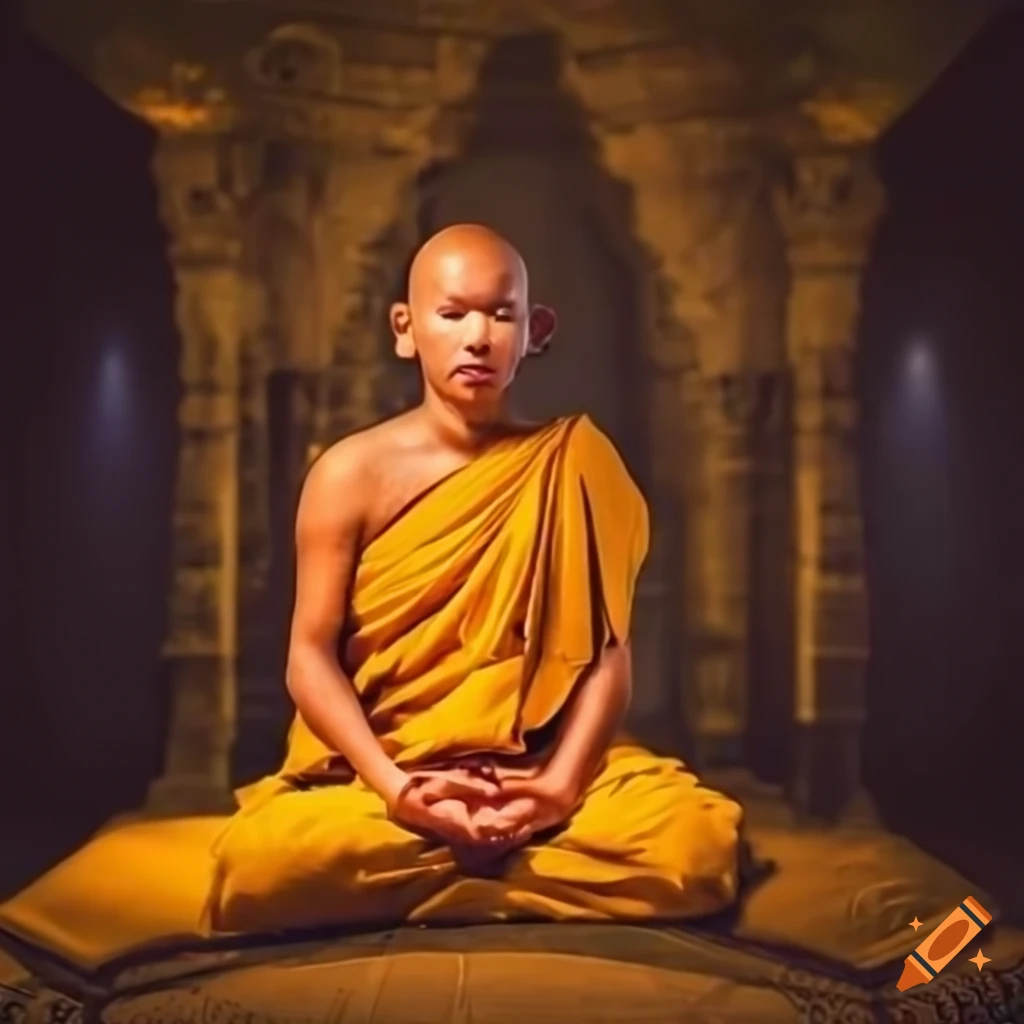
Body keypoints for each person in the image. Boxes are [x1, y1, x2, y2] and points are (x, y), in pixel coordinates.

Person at [204, 223, 742, 934]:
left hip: (535, 767)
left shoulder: (576, 462)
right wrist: (398, 790)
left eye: (501, 314)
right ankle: (502, 872)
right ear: (406, 328)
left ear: (535, 330)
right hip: (384, 772)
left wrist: (554, 788)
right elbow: (309, 656)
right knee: (264, 869)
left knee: (693, 851)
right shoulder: (349, 473)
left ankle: (466, 870)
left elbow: (609, 655)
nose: (479, 337)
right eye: (452, 314)